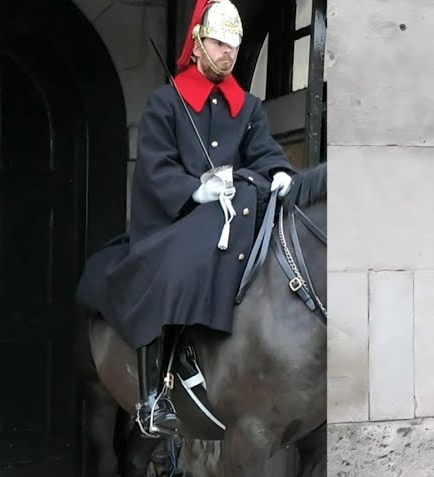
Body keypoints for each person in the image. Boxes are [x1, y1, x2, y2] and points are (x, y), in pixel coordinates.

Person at [91, 0, 296, 437]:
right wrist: (195, 189)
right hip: (174, 219)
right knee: (178, 263)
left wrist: (279, 171)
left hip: (235, 216)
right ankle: (154, 394)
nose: (227, 54)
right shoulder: (166, 103)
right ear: (199, 45)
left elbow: (263, 151)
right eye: (219, 43)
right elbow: (154, 167)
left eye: (234, 47)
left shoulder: (249, 107)